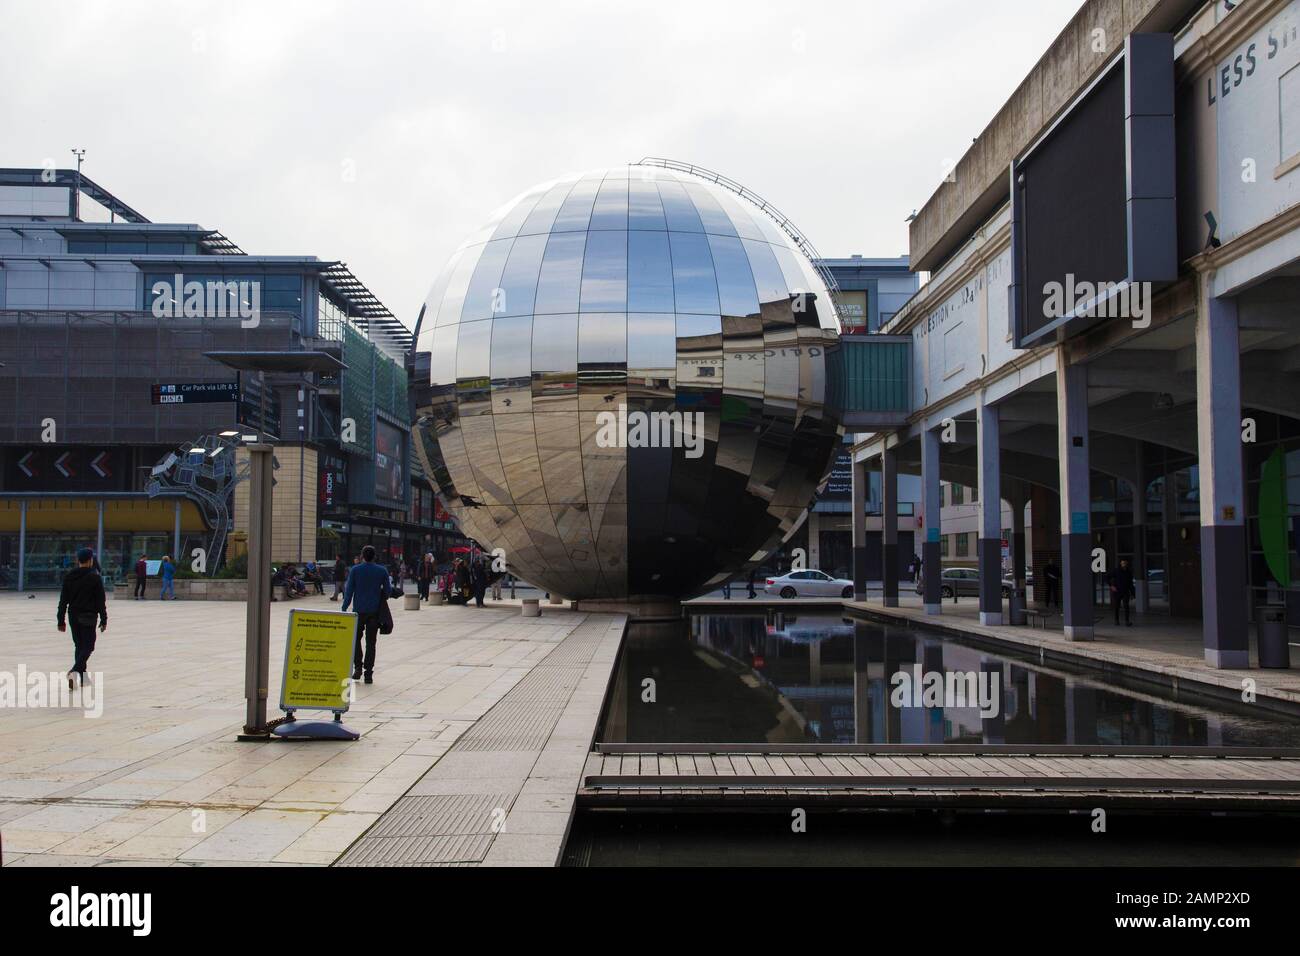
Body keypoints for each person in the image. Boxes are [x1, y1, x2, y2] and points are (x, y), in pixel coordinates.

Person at [57, 547, 107, 689]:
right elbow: (100, 601)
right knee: (89, 645)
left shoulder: (69, 576)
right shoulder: (94, 577)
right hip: (88, 616)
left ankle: (83, 678)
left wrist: (60, 620)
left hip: (73, 616)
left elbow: (63, 601)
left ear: (78, 560)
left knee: (79, 645)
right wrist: (104, 619)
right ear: (91, 560)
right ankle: (74, 671)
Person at [342, 545, 391, 684]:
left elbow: (349, 591)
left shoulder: (355, 570)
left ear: (362, 556)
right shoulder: (382, 571)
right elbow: (387, 592)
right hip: (374, 612)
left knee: (356, 640)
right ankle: (368, 673)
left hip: (358, 611)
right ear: (374, 556)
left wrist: (344, 607)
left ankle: (357, 668)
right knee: (371, 643)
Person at [1109, 558, 1136, 626]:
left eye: (1125, 563)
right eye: (1123, 563)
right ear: (1120, 563)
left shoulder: (1129, 572)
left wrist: (1133, 593)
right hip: (1117, 591)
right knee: (1117, 606)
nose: (1124, 564)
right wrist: (1111, 586)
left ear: (1127, 564)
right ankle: (1116, 620)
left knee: (1126, 606)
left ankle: (1127, 621)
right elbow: (1107, 577)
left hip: (1125, 592)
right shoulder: (1116, 571)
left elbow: (1130, 583)